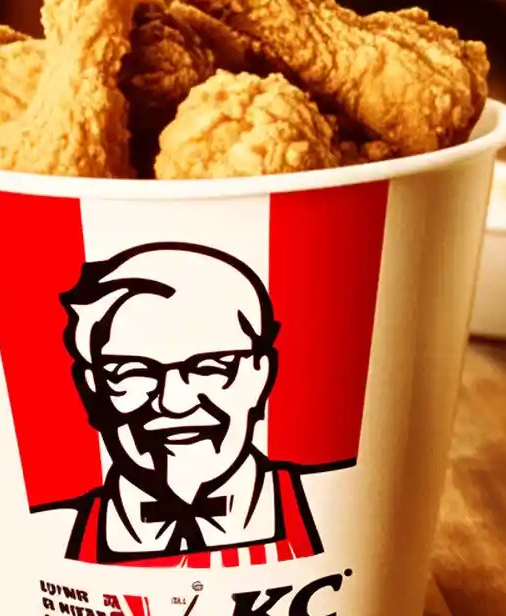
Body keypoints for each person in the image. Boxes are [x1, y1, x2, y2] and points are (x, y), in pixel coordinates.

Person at [56, 242, 323, 567]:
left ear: (260, 375)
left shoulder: (333, 504)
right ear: (92, 389)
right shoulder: (50, 533)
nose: (174, 403)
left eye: (211, 367)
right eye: (132, 372)